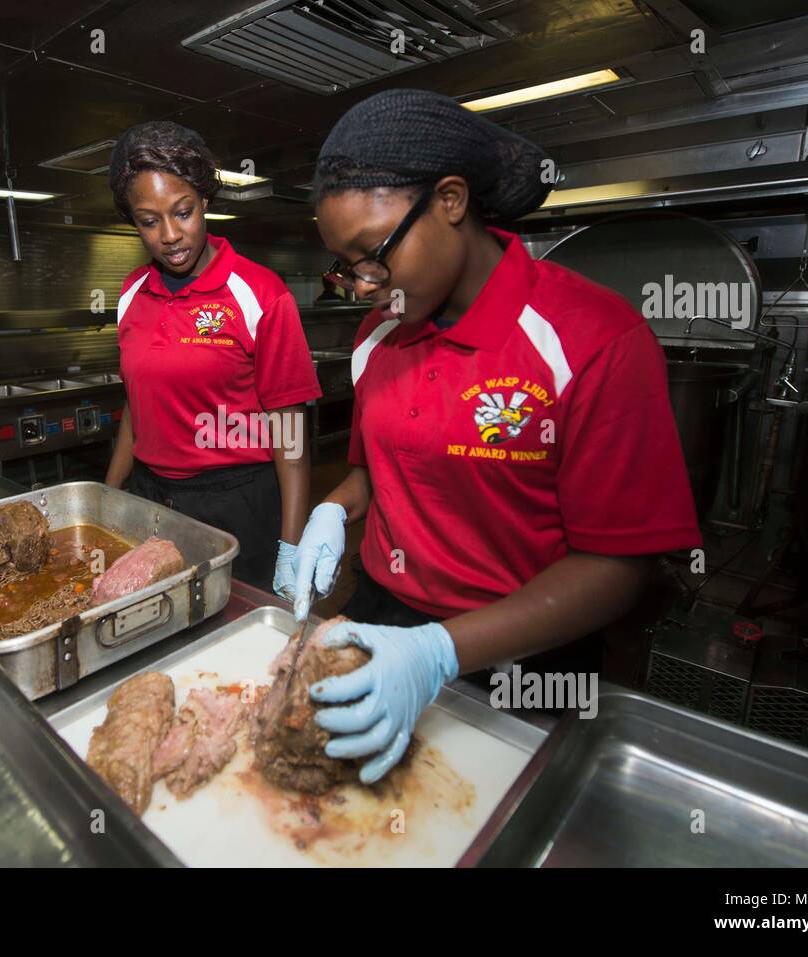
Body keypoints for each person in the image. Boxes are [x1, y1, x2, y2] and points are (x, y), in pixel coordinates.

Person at [286, 89, 701, 783]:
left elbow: (619, 567)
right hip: (383, 615)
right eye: (346, 266)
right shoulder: (378, 333)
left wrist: (441, 651)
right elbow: (374, 466)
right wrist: (337, 507)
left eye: (372, 255)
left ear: (450, 200)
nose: (362, 286)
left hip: (525, 648)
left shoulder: (594, 339)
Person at [103, 121, 321, 592]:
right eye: (148, 221)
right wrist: (109, 494)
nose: (169, 234)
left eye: (182, 212)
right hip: (152, 498)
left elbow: (290, 432)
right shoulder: (130, 293)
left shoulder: (259, 293)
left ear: (205, 201)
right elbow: (135, 408)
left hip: (237, 500)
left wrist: (292, 545)